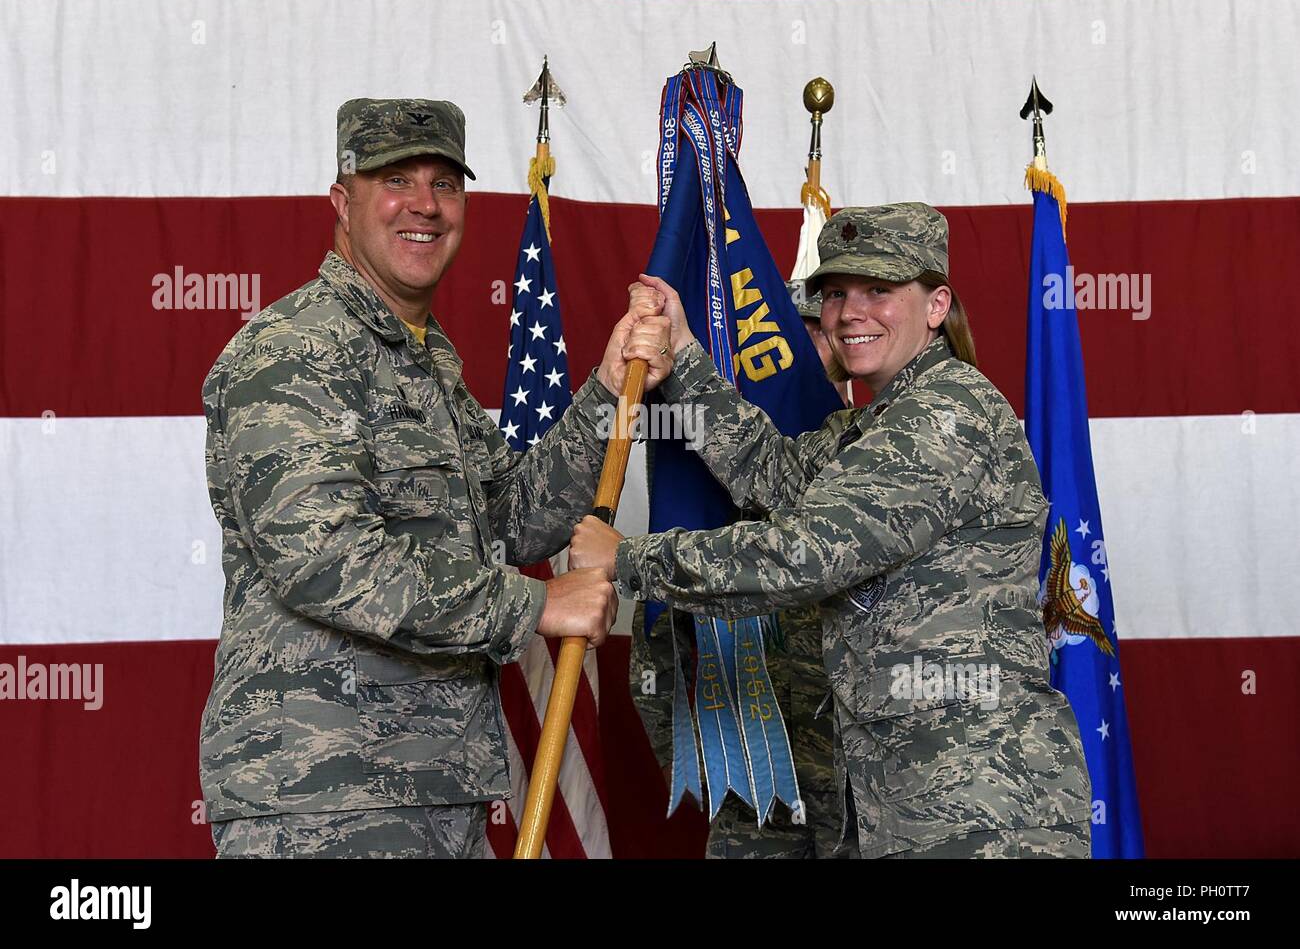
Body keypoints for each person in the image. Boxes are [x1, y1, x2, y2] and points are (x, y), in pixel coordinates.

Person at [199, 97, 672, 858]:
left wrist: (608, 391)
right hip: (324, 800)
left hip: (436, 791)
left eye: (445, 183)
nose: (424, 203)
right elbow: (330, 562)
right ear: (341, 201)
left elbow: (513, 517)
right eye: (395, 179)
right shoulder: (292, 353)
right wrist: (536, 602)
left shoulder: (426, 359)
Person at [573, 203, 1093, 858]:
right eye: (837, 292)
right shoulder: (871, 426)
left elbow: (805, 553)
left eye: (880, 291)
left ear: (936, 306)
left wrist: (629, 559)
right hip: (903, 792)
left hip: (980, 800)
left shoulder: (946, 412)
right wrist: (683, 351)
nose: (851, 312)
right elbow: (774, 474)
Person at [627, 290, 849, 859]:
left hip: (868, 800)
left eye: (815, 336)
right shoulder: (713, 498)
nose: (805, 352)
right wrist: (713, 764)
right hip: (755, 798)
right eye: (793, 337)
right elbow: (660, 650)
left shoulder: (875, 452)